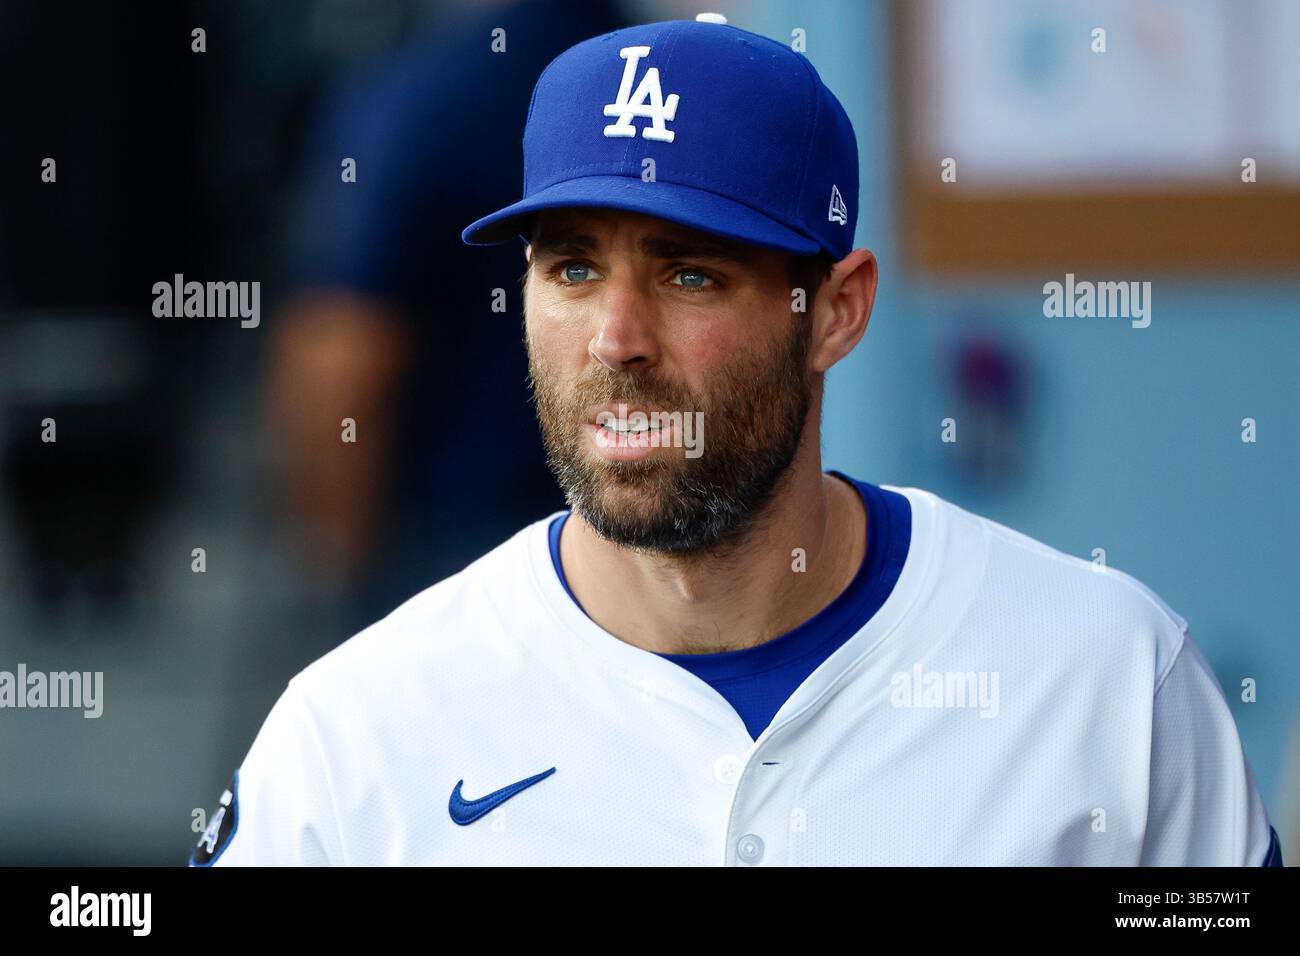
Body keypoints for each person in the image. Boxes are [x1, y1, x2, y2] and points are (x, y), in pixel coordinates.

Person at [192, 14, 1281, 866]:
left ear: (838, 311)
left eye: (689, 271)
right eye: (571, 267)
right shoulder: (358, 732)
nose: (615, 340)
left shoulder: (1104, 679)